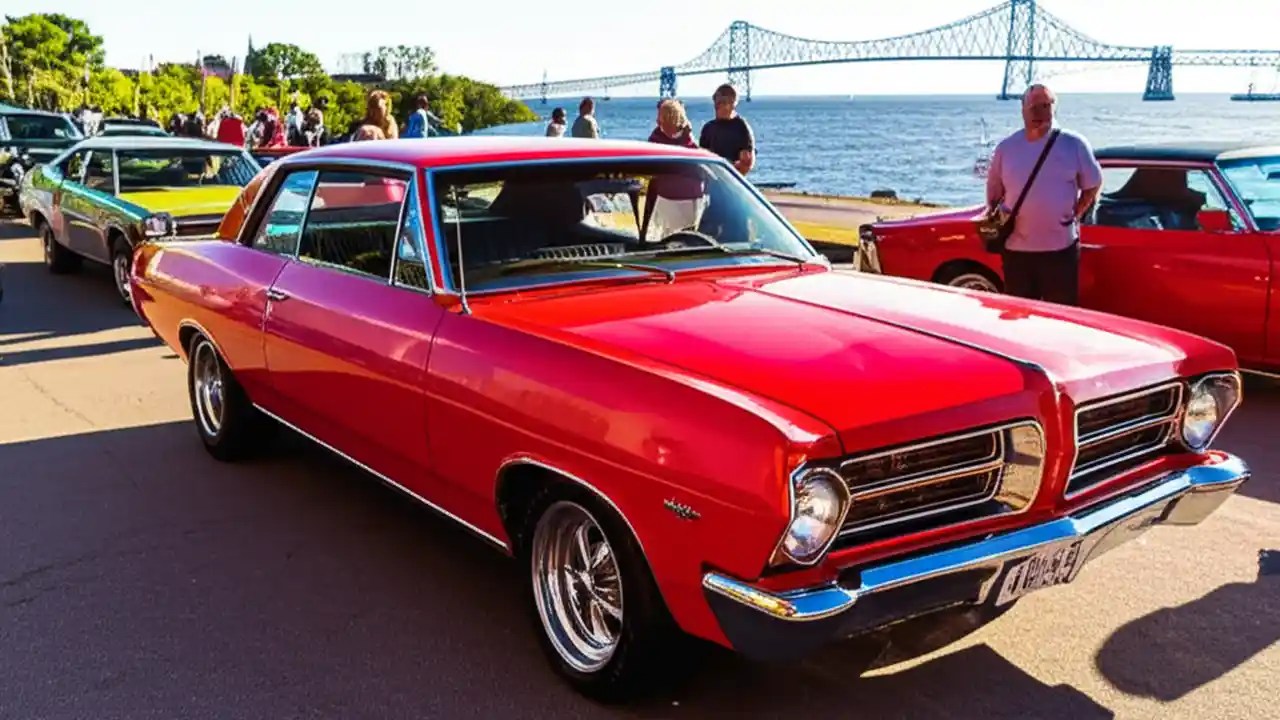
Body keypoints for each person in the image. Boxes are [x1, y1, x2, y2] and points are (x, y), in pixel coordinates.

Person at [985, 83, 1103, 306]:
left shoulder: (1074, 144)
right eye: (1033, 107)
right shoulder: (1006, 149)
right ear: (1023, 110)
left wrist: (1077, 212)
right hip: (1016, 252)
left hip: (1060, 250)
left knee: (1060, 316)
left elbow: (1093, 184)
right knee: (1018, 314)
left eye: (1045, 106)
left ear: (1054, 108)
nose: (1039, 112)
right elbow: (994, 197)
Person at [698, 84, 755, 175]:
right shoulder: (708, 128)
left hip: (732, 179)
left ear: (733, 104)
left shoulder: (741, 127)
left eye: (723, 102)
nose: (718, 106)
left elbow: (746, 162)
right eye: (717, 102)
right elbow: (703, 158)